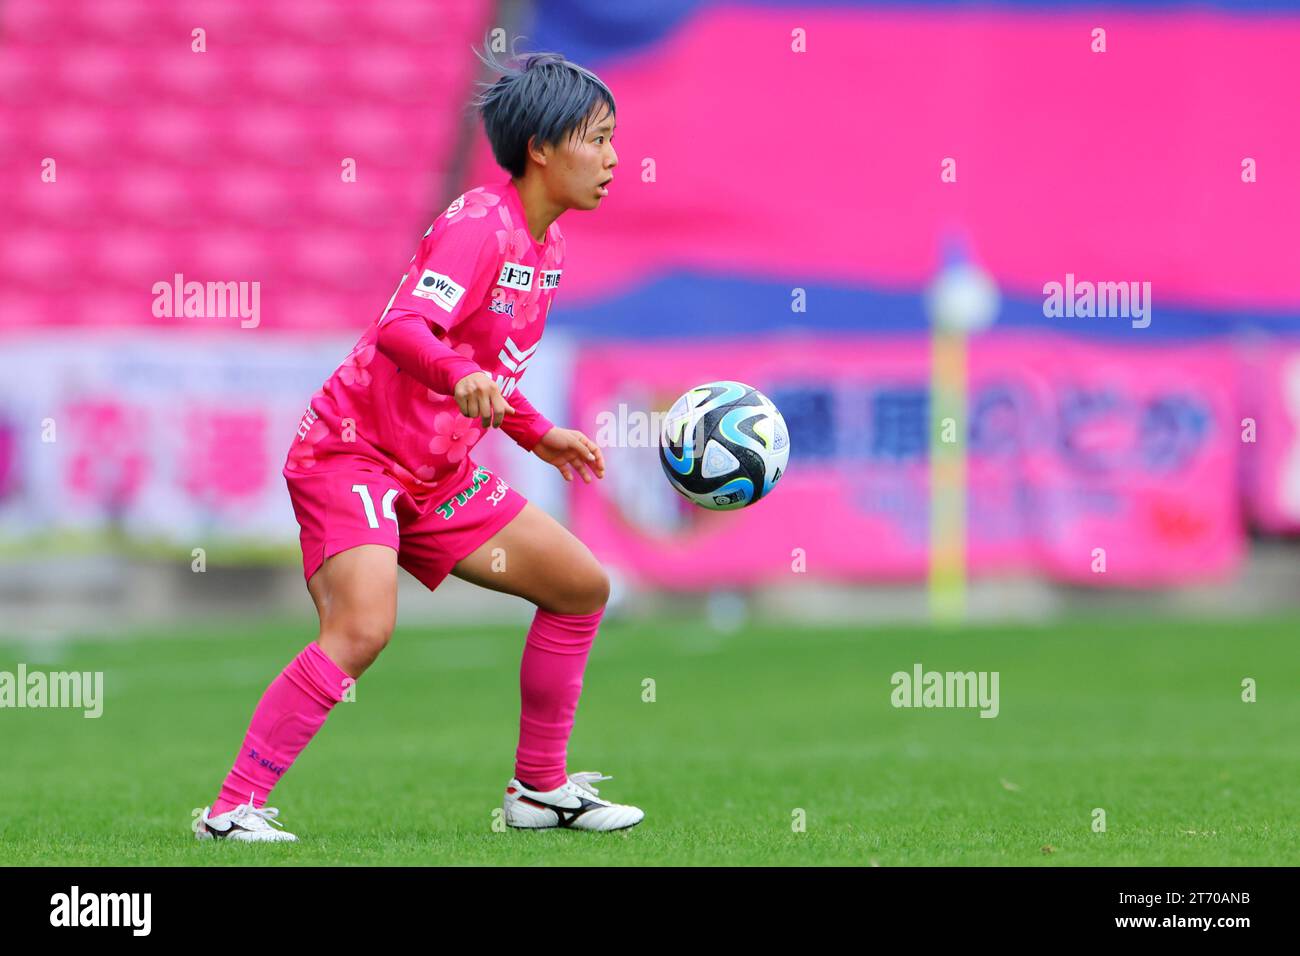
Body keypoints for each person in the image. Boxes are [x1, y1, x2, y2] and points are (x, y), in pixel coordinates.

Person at [194, 45, 640, 841]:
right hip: (352, 452)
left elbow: (490, 371)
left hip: (437, 473)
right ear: (541, 148)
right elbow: (403, 328)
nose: (614, 158)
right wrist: (453, 371)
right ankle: (231, 812)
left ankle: (539, 791)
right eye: (597, 138)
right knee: (362, 629)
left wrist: (541, 436)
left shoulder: (549, 250)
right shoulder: (480, 225)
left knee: (580, 587)